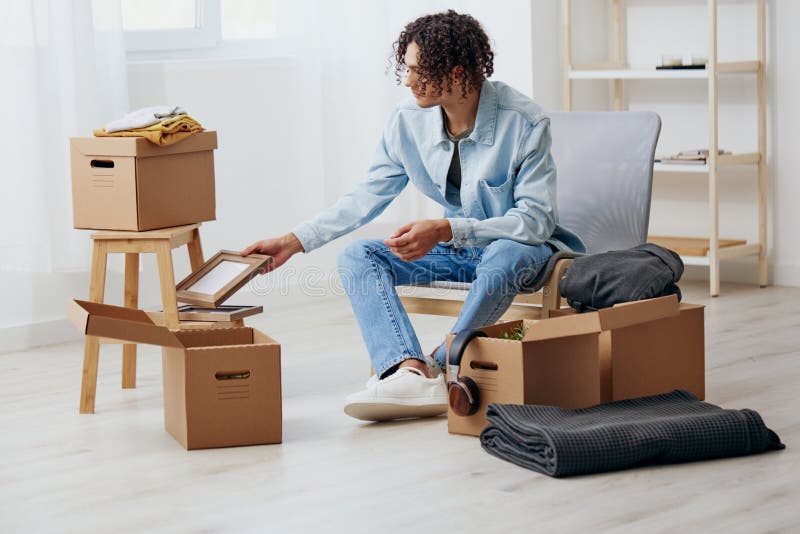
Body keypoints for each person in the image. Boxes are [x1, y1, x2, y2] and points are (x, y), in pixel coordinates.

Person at [240, 10, 584, 422]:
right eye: (407, 68)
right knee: (358, 256)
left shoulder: (525, 122)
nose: (408, 81)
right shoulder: (407, 122)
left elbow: (534, 222)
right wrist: (293, 241)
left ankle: (439, 364)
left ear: (456, 74)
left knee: (505, 253)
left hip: (523, 255)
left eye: (420, 71)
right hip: (461, 253)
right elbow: (368, 194)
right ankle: (407, 369)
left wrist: (446, 228)